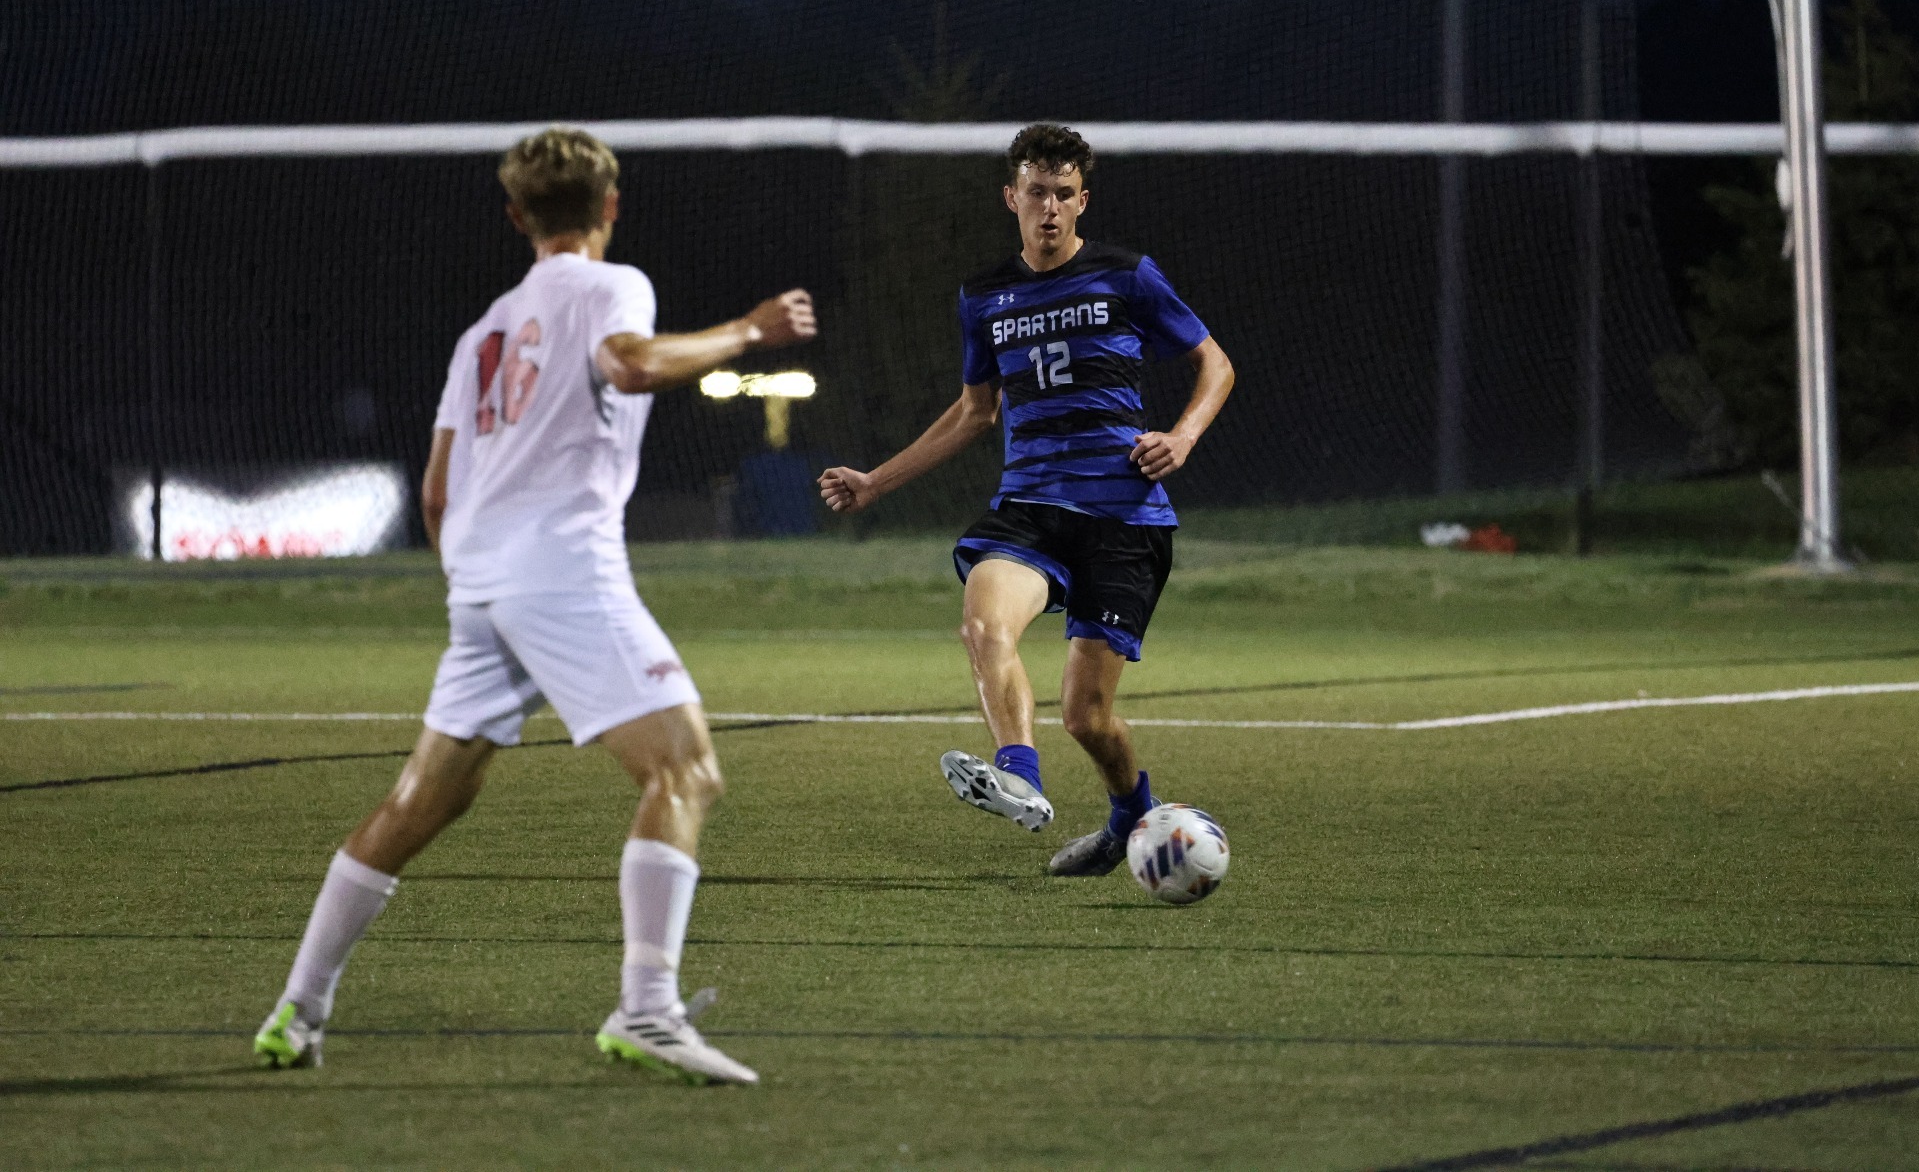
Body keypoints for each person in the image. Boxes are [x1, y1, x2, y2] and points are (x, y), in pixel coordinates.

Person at [253, 127, 815, 1084]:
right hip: (561, 567)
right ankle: (646, 1010)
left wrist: (483, 585)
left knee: (415, 804)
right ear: (610, 207)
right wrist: (748, 331)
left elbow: (437, 492)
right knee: (685, 771)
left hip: (479, 580)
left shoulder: (482, 333)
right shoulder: (610, 285)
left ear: (517, 216)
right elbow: (631, 363)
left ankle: (296, 1010)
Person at [818, 124, 1234, 876]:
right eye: (1036, 192)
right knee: (982, 619)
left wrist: (1184, 435)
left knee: (1088, 717)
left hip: (1122, 515)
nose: (1050, 208)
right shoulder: (984, 296)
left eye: (1064, 194)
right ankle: (1020, 776)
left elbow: (1216, 363)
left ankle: (1127, 822)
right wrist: (876, 480)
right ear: (1012, 197)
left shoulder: (1127, 274)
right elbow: (975, 410)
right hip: (1031, 506)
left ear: (1083, 201)